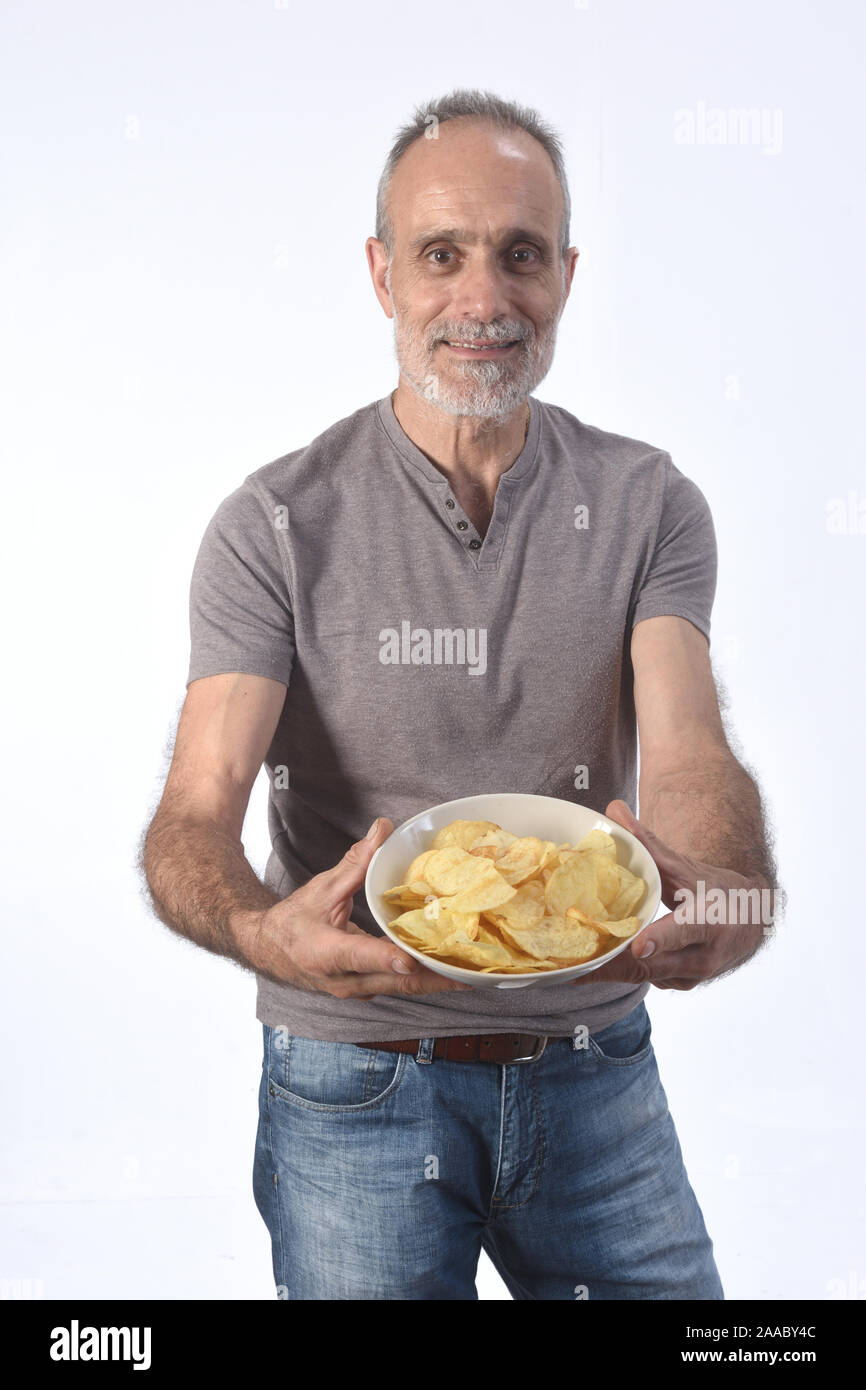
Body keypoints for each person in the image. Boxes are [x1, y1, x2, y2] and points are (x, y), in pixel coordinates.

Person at [141, 88, 777, 1300]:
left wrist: (722, 890)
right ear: (382, 276)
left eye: (519, 256)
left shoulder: (646, 504)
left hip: (594, 1060)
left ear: (567, 277)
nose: (482, 300)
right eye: (442, 255)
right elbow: (197, 804)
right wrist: (255, 927)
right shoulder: (273, 526)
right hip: (355, 1082)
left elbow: (688, 743)